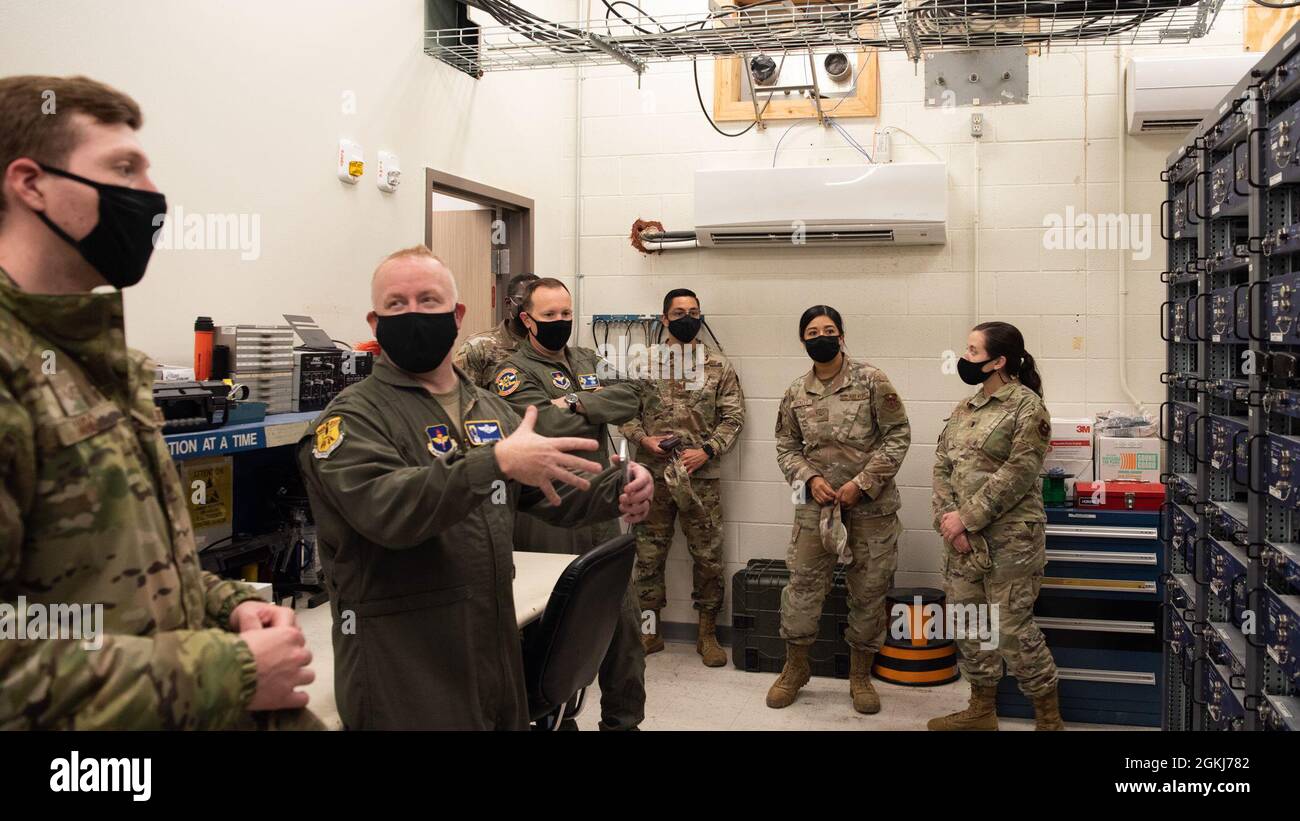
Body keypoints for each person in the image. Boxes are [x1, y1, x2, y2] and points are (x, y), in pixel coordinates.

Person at [0, 75, 318, 729]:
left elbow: (115, 568)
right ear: (30, 184)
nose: (151, 195)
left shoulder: (97, 362)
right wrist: (231, 670)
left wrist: (223, 603)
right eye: (123, 168)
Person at [297, 248, 652, 730]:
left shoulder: (485, 408)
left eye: (428, 299)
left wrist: (617, 487)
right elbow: (389, 510)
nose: (414, 313)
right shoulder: (351, 419)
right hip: (404, 664)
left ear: (457, 314)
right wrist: (495, 461)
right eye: (396, 305)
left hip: (490, 645)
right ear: (375, 322)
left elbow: (550, 492)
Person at [492, 277, 647, 730]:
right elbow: (542, 422)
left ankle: (623, 722)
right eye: (550, 316)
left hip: (600, 507)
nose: (561, 322)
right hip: (549, 515)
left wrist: (577, 400)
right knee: (554, 631)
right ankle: (557, 720)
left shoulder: (585, 359)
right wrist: (592, 406)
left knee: (624, 628)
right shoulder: (512, 372)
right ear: (527, 320)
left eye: (566, 314)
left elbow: (632, 396)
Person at [769, 306, 910, 714]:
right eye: (813, 331)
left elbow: (898, 435)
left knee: (868, 592)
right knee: (801, 590)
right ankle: (795, 669)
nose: (821, 336)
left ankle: (860, 675)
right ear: (803, 341)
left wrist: (861, 484)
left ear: (842, 335)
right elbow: (785, 445)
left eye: (829, 330)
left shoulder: (871, 380)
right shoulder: (796, 391)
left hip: (871, 510)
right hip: (816, 508)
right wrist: (810, 479)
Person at [928, 321, 1062, 731]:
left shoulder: (1027, 407)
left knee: (1010, 629)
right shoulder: (964, 409)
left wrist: (968, 518)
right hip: (961, 539)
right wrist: (951, 523)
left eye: (972, 351)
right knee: (968, 622)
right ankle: (981, 710)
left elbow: (1019, 471)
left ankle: (1049, 720)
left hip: (1010, 540)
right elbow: (942, 467)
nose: (964, 358)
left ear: (998, 361)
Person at [619, 288, 745, 666]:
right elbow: (624, 413)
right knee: (646, 555)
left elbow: (734, 418)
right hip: (650, 477)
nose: (687, 317)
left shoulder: (718, 366)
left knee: (707, 556)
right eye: (678, 312)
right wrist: (644, 438)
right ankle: (649, 631)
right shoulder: (640, 363)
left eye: (693, 311)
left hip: (699, 478)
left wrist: (707, 450)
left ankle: (707, 634)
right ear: (664, 319)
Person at [454, 272, 538, 388]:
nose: (531, 306)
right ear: (508, 303)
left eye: (537, 301)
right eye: (524, 300)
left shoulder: (549, 345)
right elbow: (461, 396)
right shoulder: (478, 347)